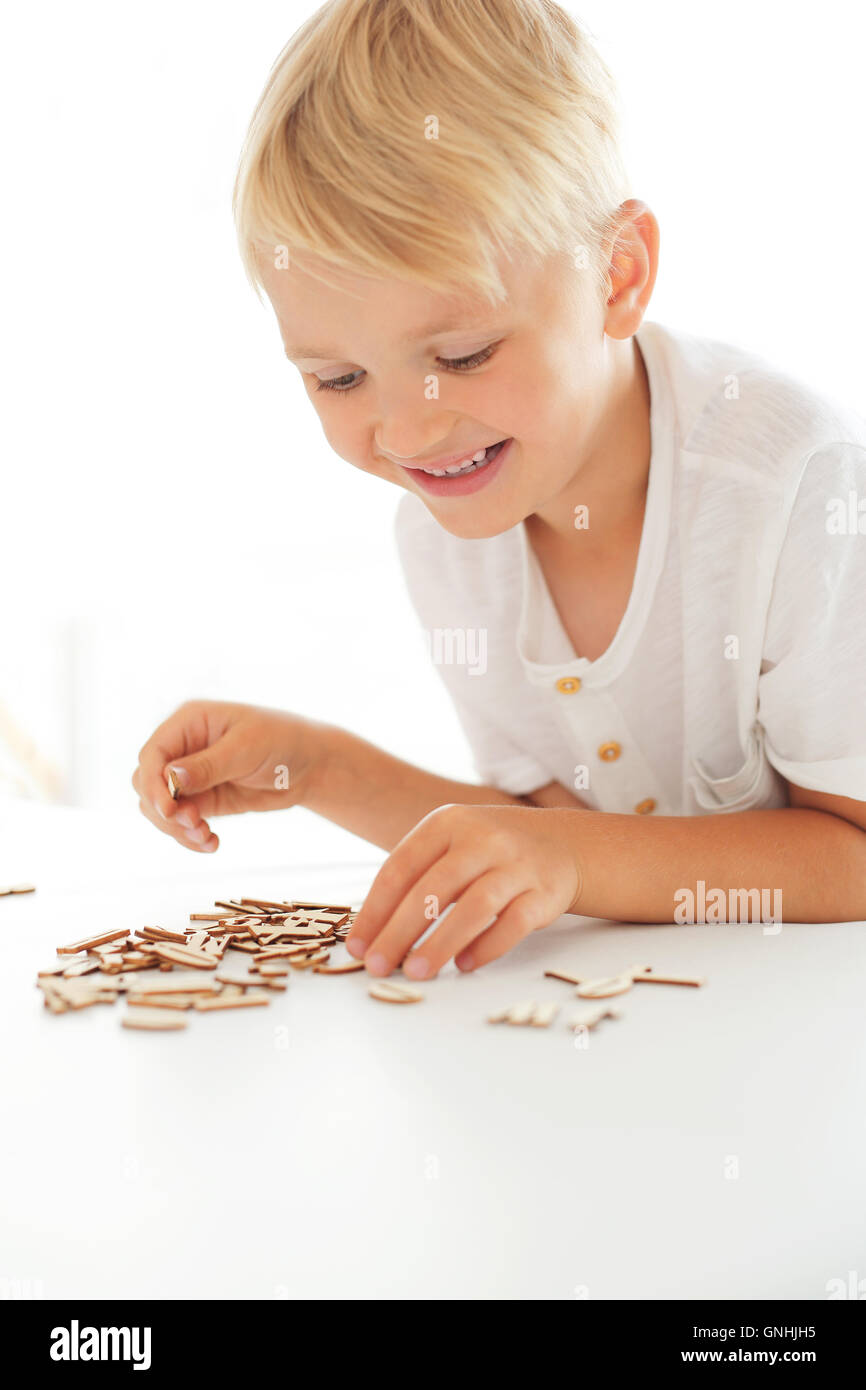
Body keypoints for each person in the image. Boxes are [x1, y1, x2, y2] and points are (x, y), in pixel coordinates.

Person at [132, 0, 866, 980]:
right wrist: (314, 765)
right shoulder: (446, 531)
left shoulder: (789, 486)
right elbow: (544, 838)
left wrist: (566, 857)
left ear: (617, 274)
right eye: (337, 379)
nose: (407, 433)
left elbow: (851, 854)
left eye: (463, 354)